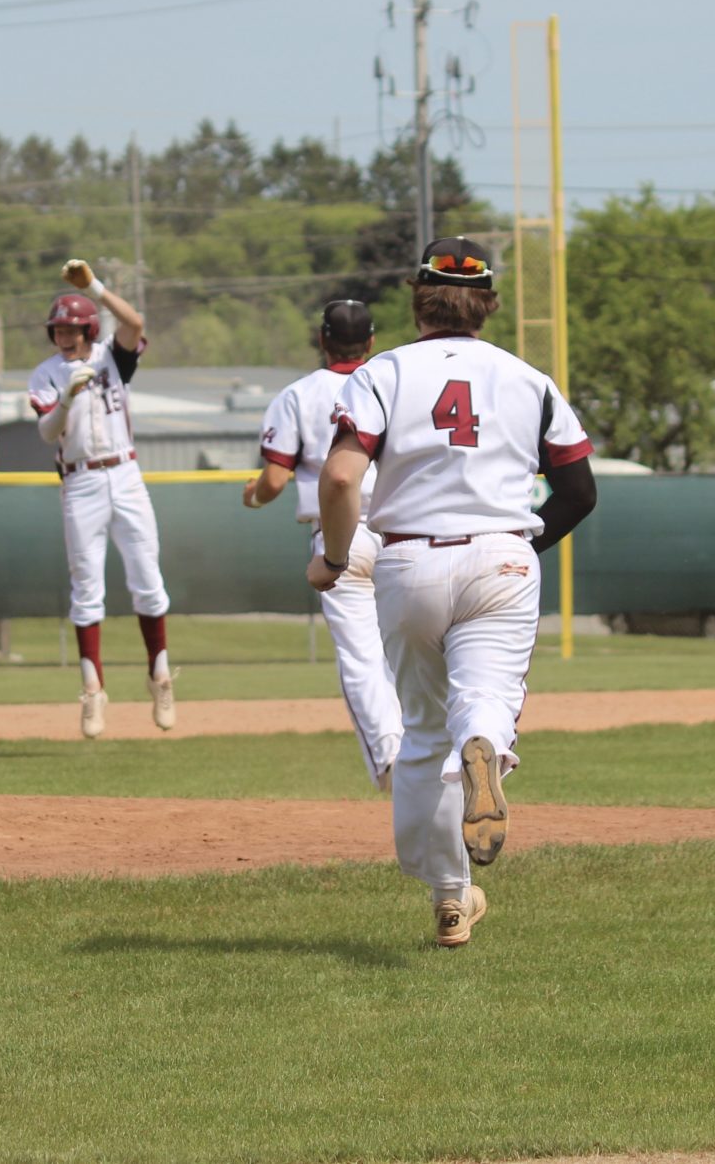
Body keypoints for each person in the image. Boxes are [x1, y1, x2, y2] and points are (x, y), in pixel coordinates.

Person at [311, 237, 598, 947]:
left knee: (420, 734)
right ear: (488, 304)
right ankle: (486, 745)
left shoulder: (382, 372)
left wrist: (335, 556)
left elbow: (344, 477)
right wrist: (518, 546)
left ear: (417, 300)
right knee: (485, 703)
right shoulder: (528, 378)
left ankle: (449, 895)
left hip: (408, 562)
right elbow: (579, 490)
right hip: (501, 554)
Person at [245, 299, 403, 790]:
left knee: (361, 657)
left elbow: (273, 480)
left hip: (342, 535)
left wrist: (252, 496)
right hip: (405, 530)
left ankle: (393, 757)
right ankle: (442, 749)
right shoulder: (394, 382)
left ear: (322, 340)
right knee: (409, 651)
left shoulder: (298, 394)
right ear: (371, 342)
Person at [27, 258, 174, 738]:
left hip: (125, 472)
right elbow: (49, 432)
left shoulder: (111, 355)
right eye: (58, 330)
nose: (64, 337)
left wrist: (93, 285)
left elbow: (134, 322)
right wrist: (66, 398)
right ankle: (93, 690)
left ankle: (161, 675)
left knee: (147, 578)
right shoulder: (45, 374)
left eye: (72, 329)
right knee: (87, 588)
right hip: (81, 480)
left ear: (89, 328)